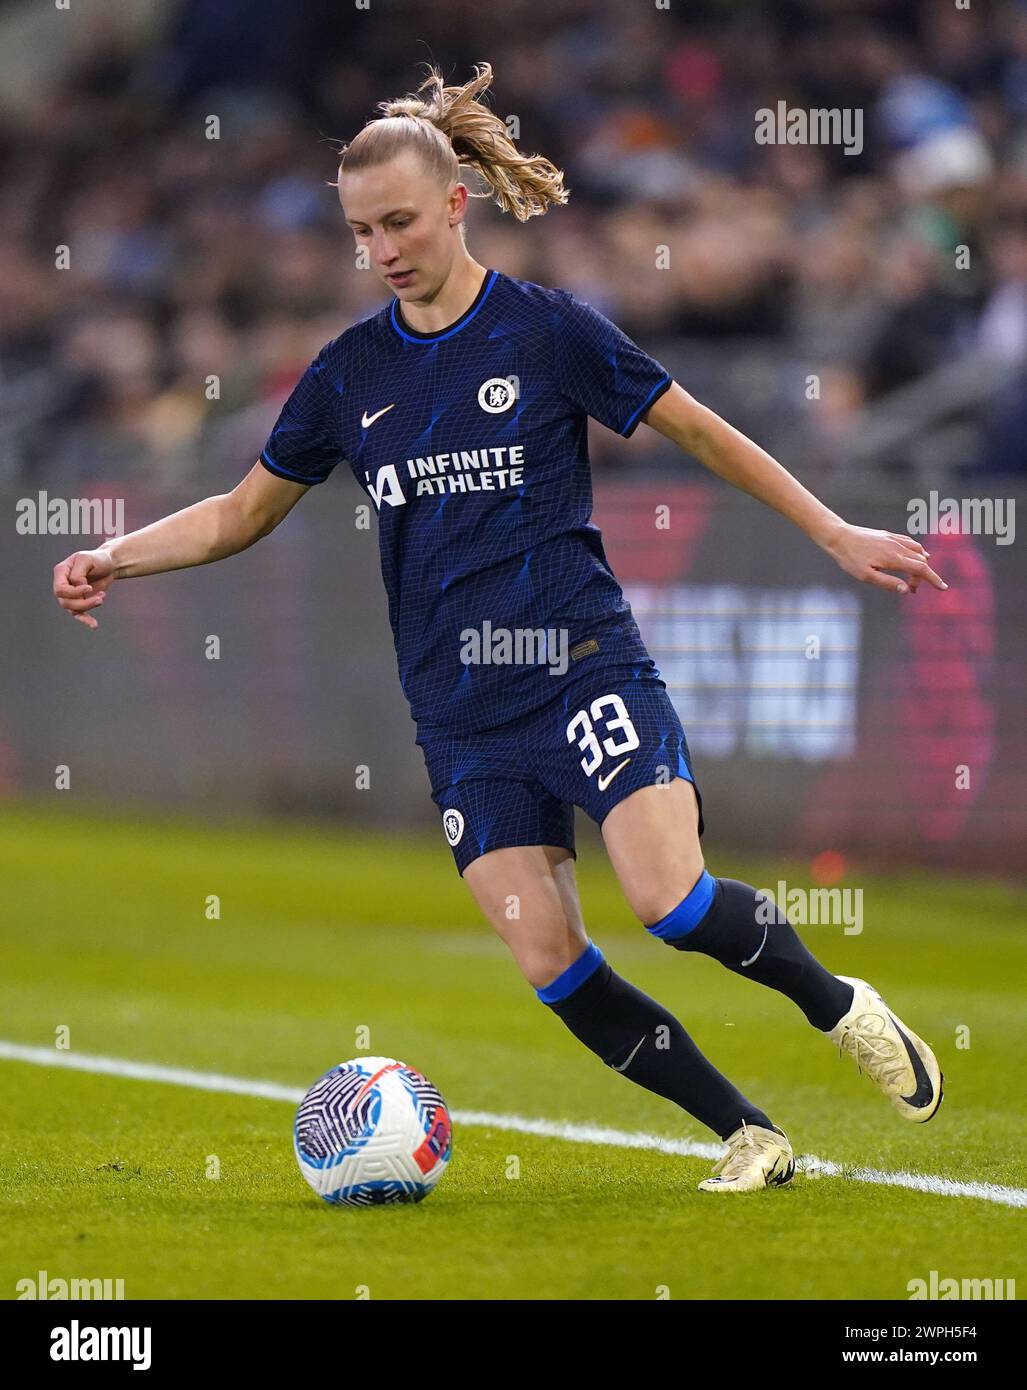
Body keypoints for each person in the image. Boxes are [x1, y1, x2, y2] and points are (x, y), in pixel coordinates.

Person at [53, 63, 945, 1193]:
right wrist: (115, 553)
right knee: (551, 959)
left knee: (670, 904)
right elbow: (240, 512)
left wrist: (830, 531)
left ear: (456, 204)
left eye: (400, 222)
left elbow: (701, 431)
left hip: (580, 665)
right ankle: (747, 1133)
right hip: (460, 714)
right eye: (361, 231)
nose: (382, 249)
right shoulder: (345, 375)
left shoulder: (545, 330)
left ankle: (839, 1006)